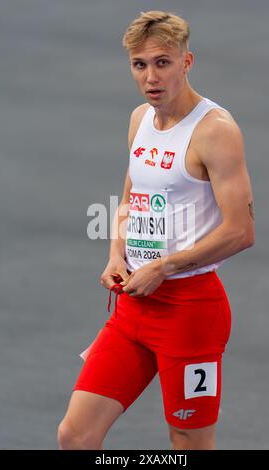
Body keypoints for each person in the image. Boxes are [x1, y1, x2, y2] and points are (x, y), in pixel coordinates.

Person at [57, 10, 255, 450]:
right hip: (133, 306)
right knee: (76, 435)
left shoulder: (215, 131)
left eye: (163, 62)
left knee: (188, 441)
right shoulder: (140, 120)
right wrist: (116, 254)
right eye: (140, 64)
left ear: (187, 62)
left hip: (191, 312)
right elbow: (131, 198)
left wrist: (164, 267)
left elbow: (241, 231)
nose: (151, 76)